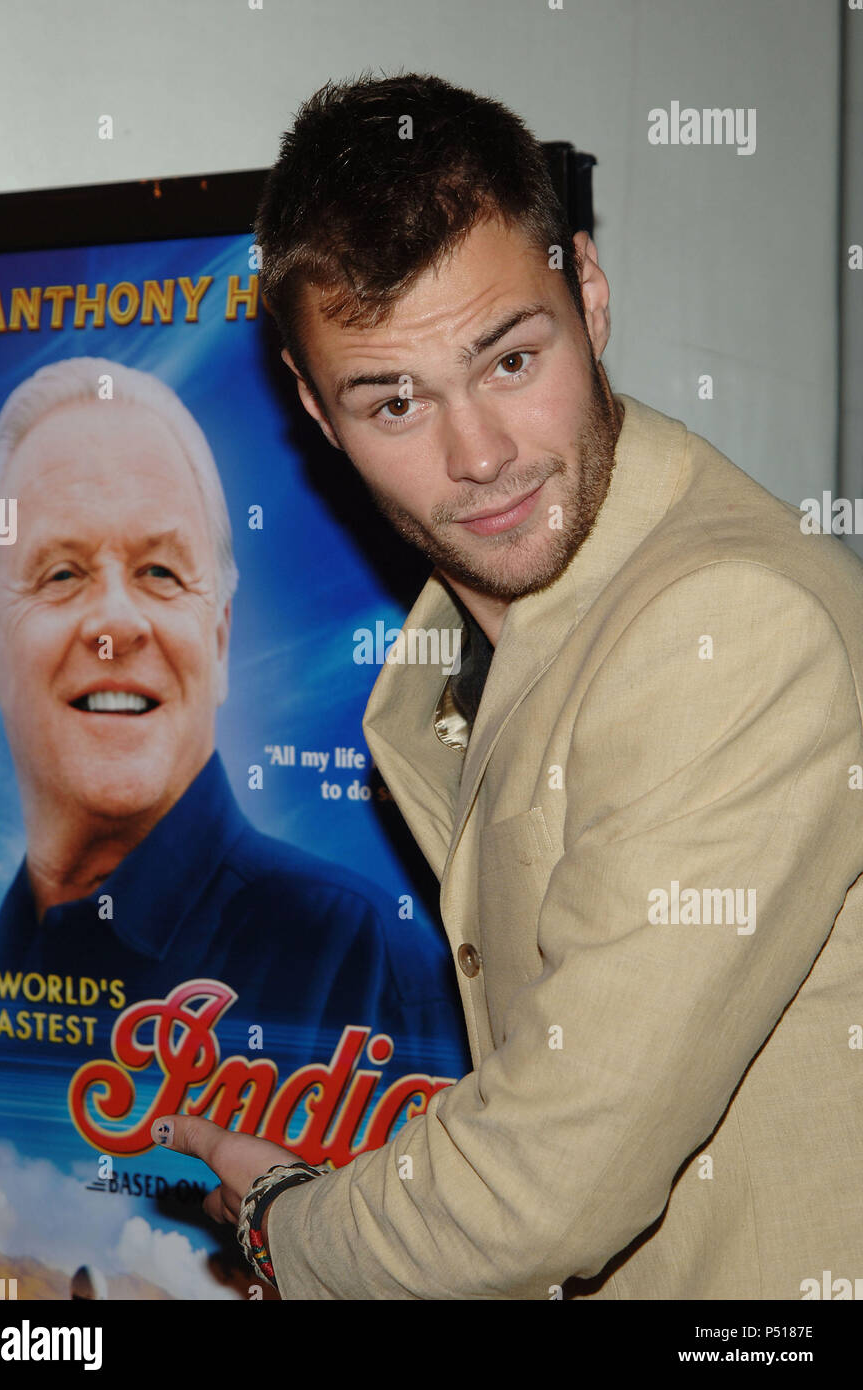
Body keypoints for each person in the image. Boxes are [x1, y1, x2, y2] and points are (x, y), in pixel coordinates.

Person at [154, 72, 863, 1300]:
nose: (477, 454)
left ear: (588, 293)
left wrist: (286, 1226)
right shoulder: (458, 649)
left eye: (509, 358)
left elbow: (550, 1191)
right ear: (319, 413)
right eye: (393, 399)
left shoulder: (728, 627)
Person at [0, 356, 467, 1072]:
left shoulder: (363, 967)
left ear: (221, 638)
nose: (116, 623)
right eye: (62, 574)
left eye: (160, 573)